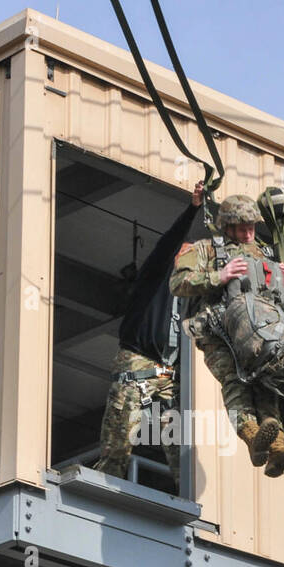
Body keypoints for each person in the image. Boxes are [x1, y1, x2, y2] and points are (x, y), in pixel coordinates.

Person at [169, 194, 284, 476]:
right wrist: (219, 276)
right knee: (235, 382)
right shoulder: (205, 250)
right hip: (219, 331)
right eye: (242, 228)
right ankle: (252, 434)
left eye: (252, 226)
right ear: (226, 226)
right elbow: (179, 283)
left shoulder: (267, 251)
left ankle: (276, 450)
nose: (249, 233)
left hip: (265, 333)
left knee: (269, 386)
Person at [90, 181, 206, 490]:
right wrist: (192, 209)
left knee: (180, 445)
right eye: (188, 256)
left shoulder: (193, 296)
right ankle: (103, 491)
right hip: (137, 361)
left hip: (171, 373)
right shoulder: (157, 273)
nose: (192, 265)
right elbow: (169, 243)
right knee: (118, 438)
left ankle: (190, 500)